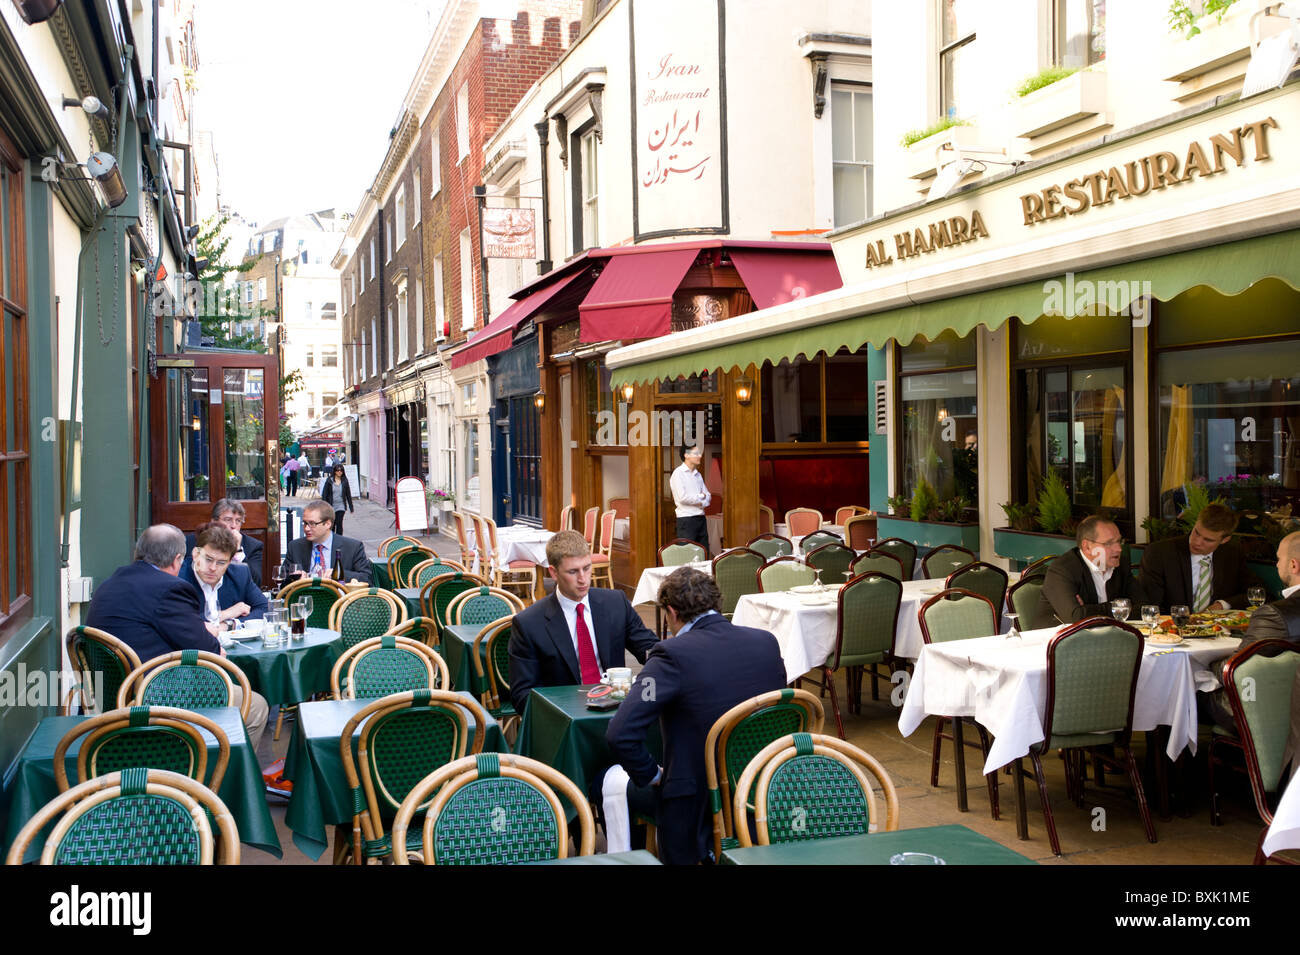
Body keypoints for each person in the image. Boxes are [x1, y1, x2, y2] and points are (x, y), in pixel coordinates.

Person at [604, 567, 787, 864]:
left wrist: (654, 776)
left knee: (608, 781)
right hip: (763, 791)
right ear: (717, 602)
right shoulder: (766, 642)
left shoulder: (668, 655)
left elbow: (620, 733)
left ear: (672, 612)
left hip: (697, 808)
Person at [84, 525, 269, 749]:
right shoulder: (169, 589)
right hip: (155, 699)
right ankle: (217, 778)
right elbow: (211, 651)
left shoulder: (109, 584)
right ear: (177, 559)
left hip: (106, 698)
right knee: (257, 707)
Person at [507, 529, 657, 715]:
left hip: (617, 713)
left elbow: (651, 650)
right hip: (564, 718)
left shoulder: (616, 603)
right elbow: (522, 695)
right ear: (553, 572)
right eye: (573, 571)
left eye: (587, 568)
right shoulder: (529, 624)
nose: (583, 579)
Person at [1205, 532, 1300, 742]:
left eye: (1279, 559)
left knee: (1188, 694)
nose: (1276, 565)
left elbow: (1236, 670)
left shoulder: (1273, 614)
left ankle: (1172, 770)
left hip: (1271, 713)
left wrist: (1206, 666)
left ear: (1294, 565)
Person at [1134, 503, 1264, 612]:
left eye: (1208, 540)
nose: (1197, 542)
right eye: (1196, 532)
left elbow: (1258, 593)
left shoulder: (1231, 554)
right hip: (1172, 632)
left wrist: (1222, 605)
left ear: (1225, 540)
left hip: (1218, 632)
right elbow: (1149, 605)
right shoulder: (1160, 553)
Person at [1039, 514, 1136, 624]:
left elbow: (1143, 607)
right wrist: (1120, 607)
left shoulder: (1121, 564)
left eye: (1119, 541)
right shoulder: (1062, 570)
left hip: (1105, 635)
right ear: (1087, 547)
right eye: (1109, 543)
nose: (1118, 549)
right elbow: (1075, 618)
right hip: (1057, 638)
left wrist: (1088, 609)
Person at [179, 523, 269, 627]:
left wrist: (230, 625)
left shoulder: (240, 574)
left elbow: (264, 609)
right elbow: (181, 623)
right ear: (195, 554)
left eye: (221, 563)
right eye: (208, 559)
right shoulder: (179, 579)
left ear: (230, 561)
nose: (213, 568)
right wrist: (226, 614)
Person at [284, 500, 372, 583]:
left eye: (312, 524)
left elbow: (367, 578)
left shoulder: (352, 547)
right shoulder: (295, 547)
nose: (306, 528)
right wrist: (293, 578)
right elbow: (282, 581)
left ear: (327, 524)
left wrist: (339, 574)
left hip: (341, 597)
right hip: (305, 597)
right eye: (305, 523)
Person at [184, 499, 265, 587]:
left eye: (238, 521)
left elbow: (256, 582)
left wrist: (238, 551)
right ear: (214, 521)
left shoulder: (253, 545)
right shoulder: (192, 541)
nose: (233, 526)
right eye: (228, 520)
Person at [669, 444, 711, 554]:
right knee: (687, 555)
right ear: (686, 455)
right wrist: (701, 497)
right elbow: (683, 498)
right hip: (686, 520)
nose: (700, 456)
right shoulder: (678, 474)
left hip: (701, 518)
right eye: (696, 453)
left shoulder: (698, 475)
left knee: (704, 553)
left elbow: (709, 496)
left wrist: (703, 499)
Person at [321, 465, 354, 536]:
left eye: (341, 470)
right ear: (335, 471)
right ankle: (331, 538)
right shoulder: (330, 480)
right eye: (337, 470)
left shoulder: (345, 480)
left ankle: (339, 538)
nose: (339, 472)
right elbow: (325, 494)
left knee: (339, 522)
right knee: (333, 523)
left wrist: (351, 506)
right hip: (331, 505)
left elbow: (348, 494)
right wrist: (323, 506)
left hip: (341, 505)